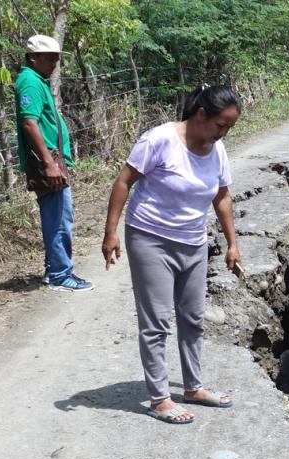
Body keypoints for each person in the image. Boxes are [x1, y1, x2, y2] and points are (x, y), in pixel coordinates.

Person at [102, 84, 243, 424]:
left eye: (229, 127)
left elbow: (221, 196)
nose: (223, 133)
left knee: (194, 317)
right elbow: (124, 182)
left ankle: (193, 387)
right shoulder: (160, 139)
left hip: (193, 242)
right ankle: (159, 398)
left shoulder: (217, 149)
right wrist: (111, 232)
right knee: (157, 321)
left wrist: (232, 243)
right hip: (151, 238)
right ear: (200, 114)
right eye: (220, 125)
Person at [15, 34, 92, 292]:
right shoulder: (30, 83)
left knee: (57, 216)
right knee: (58, 218)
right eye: (50, 59)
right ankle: (61, 274)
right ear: (33, 57)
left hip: (52, 159)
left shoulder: (38, 81)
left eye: (57, 59)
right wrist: (49, 163)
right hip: (47, 161)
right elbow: (29, 122)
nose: (55, 64)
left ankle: (54, 270)